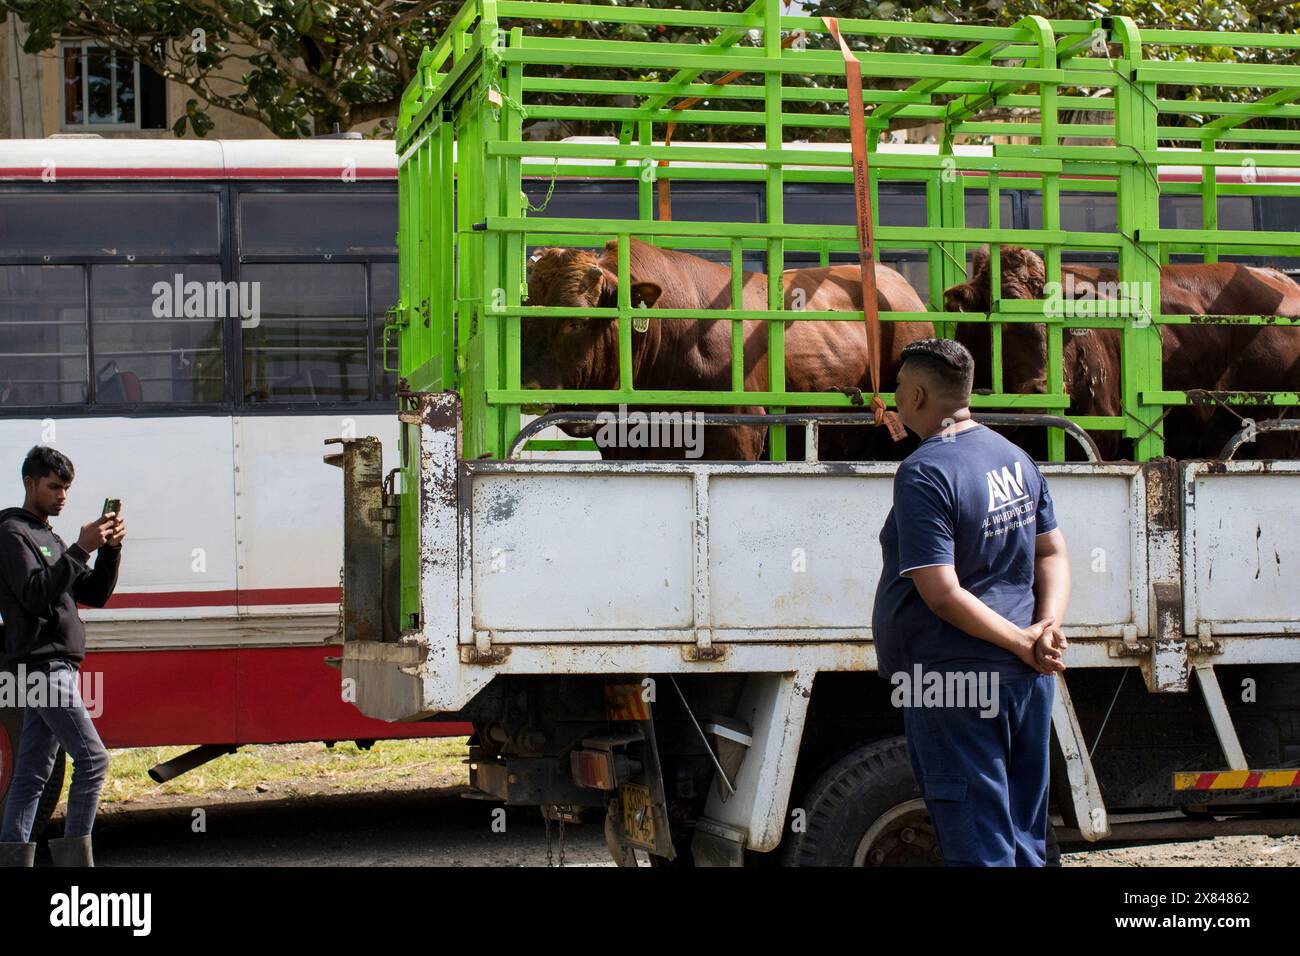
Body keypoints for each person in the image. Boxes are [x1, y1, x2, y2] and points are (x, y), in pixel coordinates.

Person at [871, 338, 1071, 866]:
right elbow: (1053, 552)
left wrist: (1026, 638)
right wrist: (1045, 629)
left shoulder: (924, 471)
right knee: (1022, 835)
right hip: (1026, 680)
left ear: (916, 394)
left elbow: (941, 592)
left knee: (978, 844)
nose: (892, 397)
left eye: (896, 388)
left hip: (956, 684)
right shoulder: (1014, 457)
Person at [0, 446, 125, 867]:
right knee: (93, 760)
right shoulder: (12, 533)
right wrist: (80, 548)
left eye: (66, 489)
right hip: (43, 666)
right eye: (54, 487)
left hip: (57, 667)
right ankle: (77, 867)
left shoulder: (47, 537)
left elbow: (94, 594)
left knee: (32, 776)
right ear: (29, 483)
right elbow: (35, 594)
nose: (62, 496)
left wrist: (108, 549)